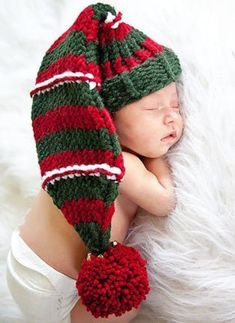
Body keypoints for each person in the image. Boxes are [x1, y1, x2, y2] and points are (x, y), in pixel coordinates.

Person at [5, 2, 183, 323]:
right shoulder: (120, 165)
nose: (172, 117)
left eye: (175, 104)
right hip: (57, 283)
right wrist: (157, 158)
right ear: (108, 119)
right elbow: (164, 201)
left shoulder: (74, 153)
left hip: (25, 256)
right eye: (154, 110)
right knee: (129, 305)